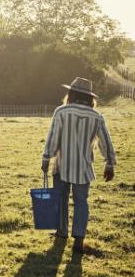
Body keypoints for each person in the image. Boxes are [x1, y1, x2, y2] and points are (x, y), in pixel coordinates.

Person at [42, 77, 116, 255]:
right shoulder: (97, 116)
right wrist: (110, 163)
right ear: (90, 98)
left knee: (61, 199)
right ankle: (79, 238)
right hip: (83, 168)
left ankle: (61, 233)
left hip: (62, 165)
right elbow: (105, 141)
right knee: (81, 202)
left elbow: (53, 137)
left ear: (72, 94)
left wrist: (46, 157)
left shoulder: (61, 112)